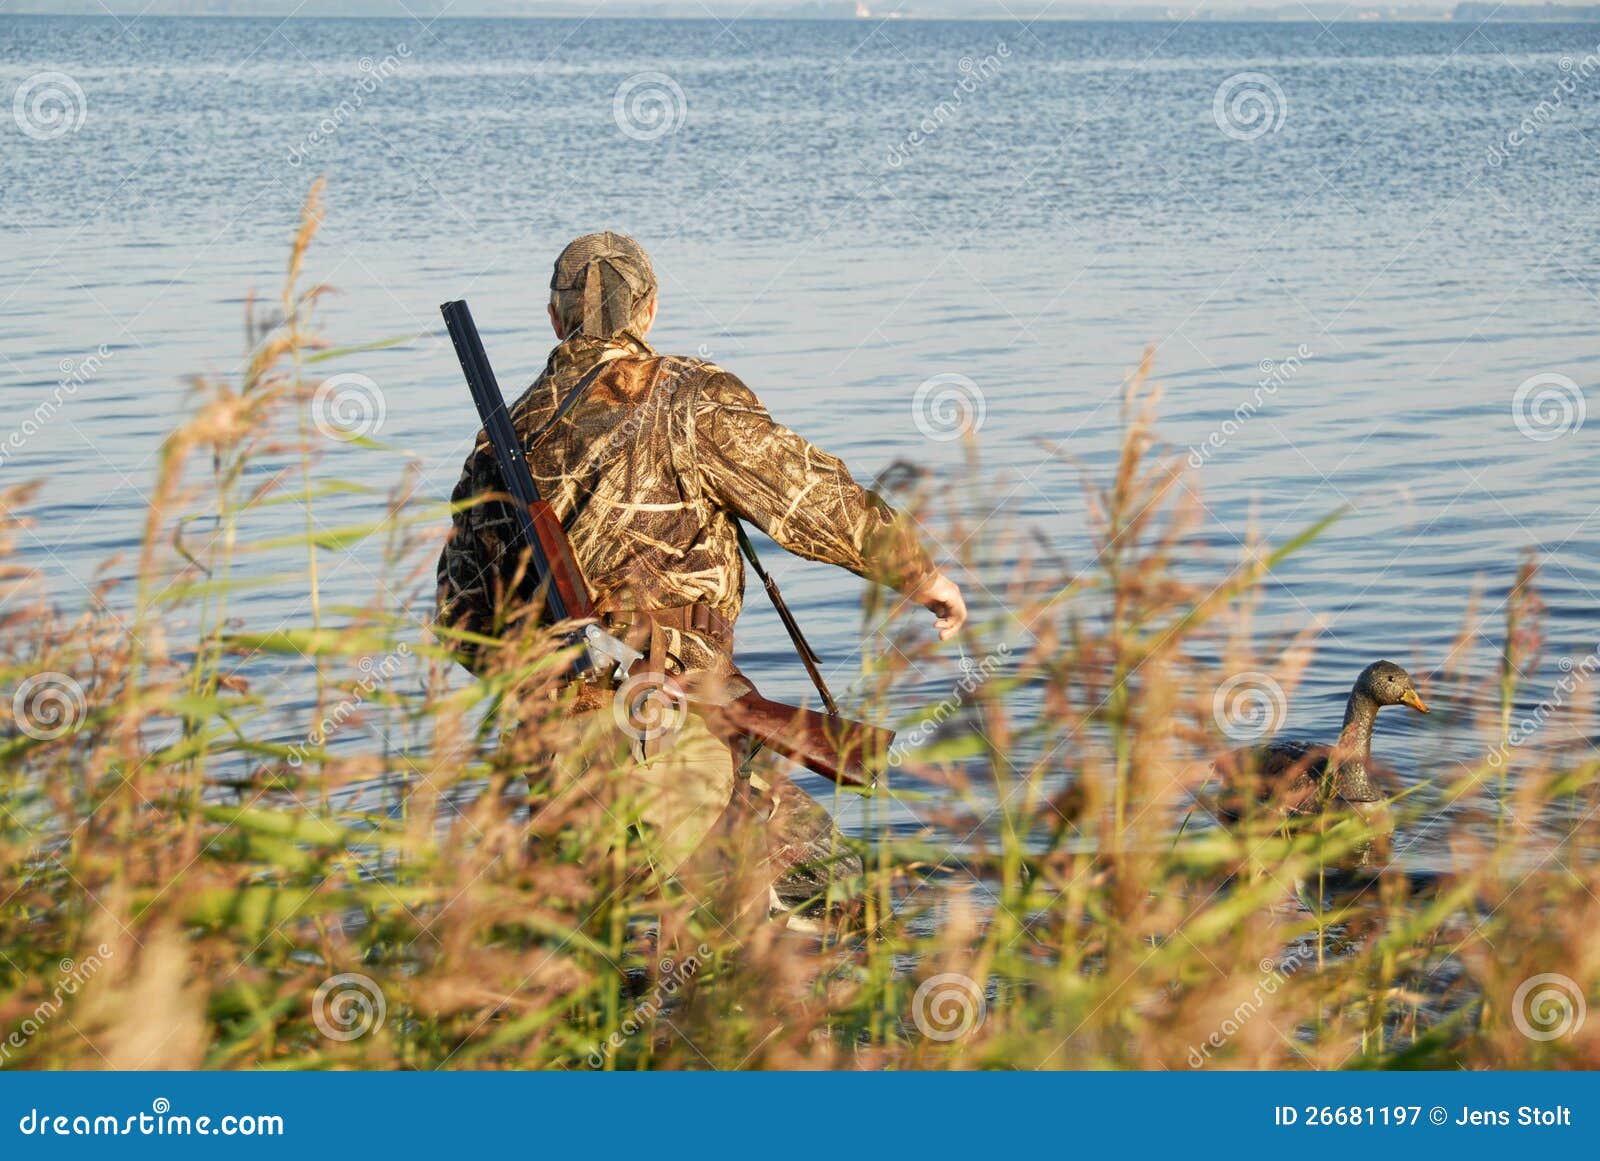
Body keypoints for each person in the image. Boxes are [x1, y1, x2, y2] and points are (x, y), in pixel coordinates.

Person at [436, 231, 966, 916]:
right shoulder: (689, 398)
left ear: (554, 319)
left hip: (552, 756)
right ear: (649, 311)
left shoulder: (498, 443)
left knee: (616, 964)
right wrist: (921, 575)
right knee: (837, 913)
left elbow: (460, 626)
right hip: (673, 735)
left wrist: (562, 660)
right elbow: (809, 498)